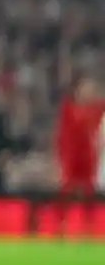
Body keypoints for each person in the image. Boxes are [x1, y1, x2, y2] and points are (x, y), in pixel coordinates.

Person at [54, 77, 105, 237]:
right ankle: (62, 224)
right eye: (85, 89)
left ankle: (89, 225)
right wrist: (61, 157)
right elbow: (62, 136)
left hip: (88, 156)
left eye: (91, 89)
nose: (88, 93)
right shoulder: (69, 110)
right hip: (71, 156)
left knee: (89, 191)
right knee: (67, 190)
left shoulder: (98, 110)